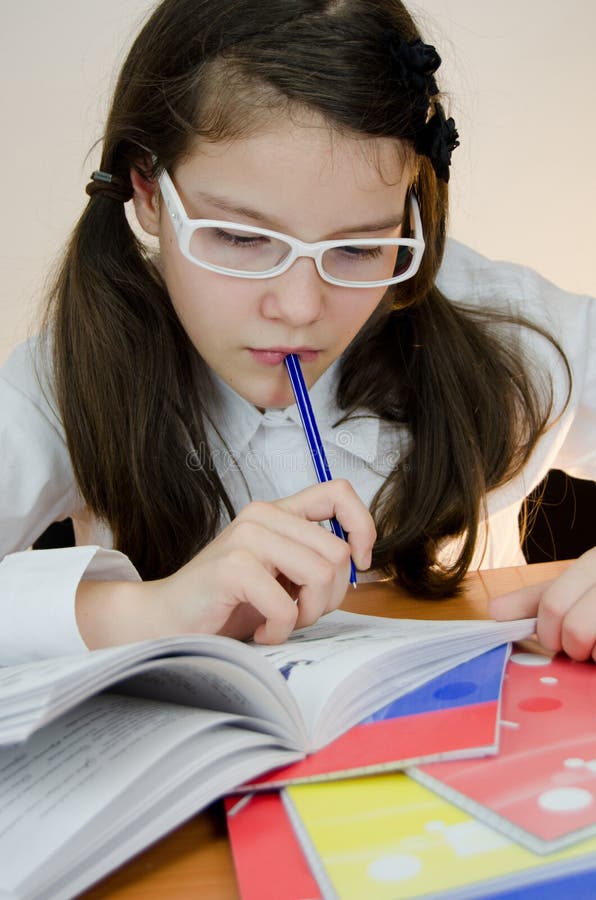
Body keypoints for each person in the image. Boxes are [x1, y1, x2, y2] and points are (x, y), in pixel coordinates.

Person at [0, 0, 594, 665]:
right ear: (146, 191)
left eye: (360, 248)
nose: (300, 306)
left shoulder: (493, 319)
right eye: (242, 237)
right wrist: (152, 608)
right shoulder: (77, 372)